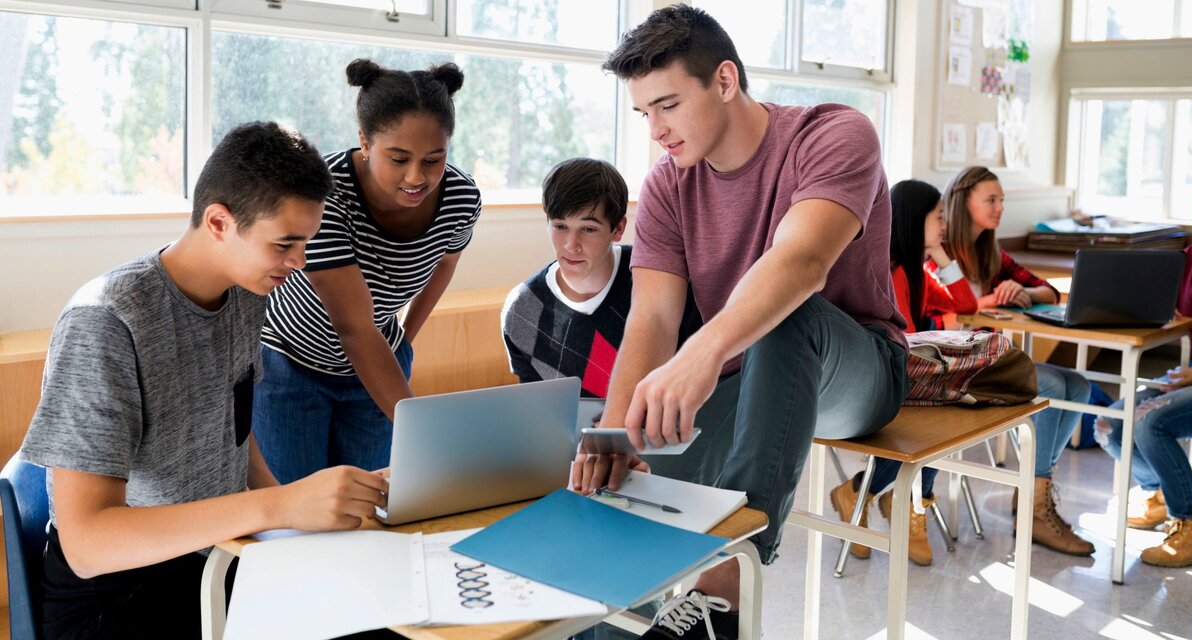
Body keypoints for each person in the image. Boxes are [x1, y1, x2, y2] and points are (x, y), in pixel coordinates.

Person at [575, 4, 909, 640]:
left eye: (668, 105)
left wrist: (699, 356)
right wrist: (613, 437)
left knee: (788, 317)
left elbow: (803, 262)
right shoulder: (668, 188)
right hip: (740, 378)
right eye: (645, 112)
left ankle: (729, 584)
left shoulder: (833, 134)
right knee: (618, 514)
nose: (656, 130)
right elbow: (651, 316)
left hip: (857, 365)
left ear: (724, 80)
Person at [19, 123, 391, 640]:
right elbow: (87, 545)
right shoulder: (106, 321)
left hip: (217, 556)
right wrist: (277, 506)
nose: (300, 262)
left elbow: (236, 429)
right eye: (285, 242)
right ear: (218, 221)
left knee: (382, 616)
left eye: (307, 242)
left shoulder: (248, 291)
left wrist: (293, 523)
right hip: (118, 591)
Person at [256, 59, 482, 484]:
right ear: (364, 140)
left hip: (376, 363)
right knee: (296, 508)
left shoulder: (462, 198)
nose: (417, 177)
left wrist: (403, 342)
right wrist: (423, 430)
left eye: (434, 159)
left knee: (369, 501)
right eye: (398, 159)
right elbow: (354, 327)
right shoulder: (322, 193)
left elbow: (443, 268)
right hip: (292, 364)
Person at [942, 165, 1094, 556]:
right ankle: (1034, 506)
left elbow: (1049, 293)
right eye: (991, 199)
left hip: (987, 363)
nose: (1000, 207)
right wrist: (993, 300)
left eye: (1002, 200)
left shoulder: (990, 253)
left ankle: (1032, 491)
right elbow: (945, 312)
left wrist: (1020, 289)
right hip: (953, 370)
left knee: (1079, 385)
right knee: (1051, 385)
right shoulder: (940, 251)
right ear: (963, 202)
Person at [830, 179, 978, 566]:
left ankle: (889, 494)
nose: (945, 224)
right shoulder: (892, 270)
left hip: (898, 375)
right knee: (941, 416)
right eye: (939, 217)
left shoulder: (917, 270)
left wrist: (942, 257)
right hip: (871, 382)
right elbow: (905, 343)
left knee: (943, 414)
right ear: (916, 219)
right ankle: (890, 495)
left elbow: (965, 303)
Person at [502, 157, 701, 399]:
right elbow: (536, 408)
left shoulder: (657, 279)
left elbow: (693, 372)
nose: (571, 245)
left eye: (588, 229)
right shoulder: (523, 309)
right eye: (560, 227)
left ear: (618, 229)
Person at [1095, 193, 1192, 567]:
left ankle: (1190, 524)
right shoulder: (1191, 256)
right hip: (1189, 371)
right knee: (1109, 424)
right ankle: (1159, 494)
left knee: (1150, 423)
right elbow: (1163, 306)